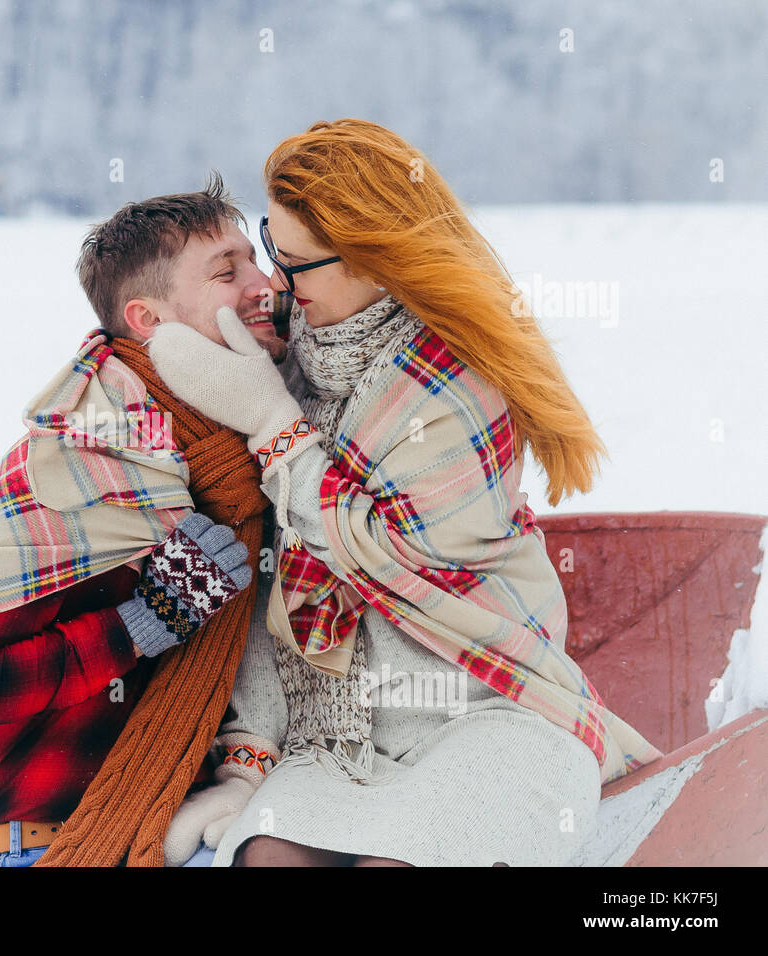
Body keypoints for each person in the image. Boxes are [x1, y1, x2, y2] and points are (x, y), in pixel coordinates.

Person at [151, 119, 666, 867]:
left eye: (295, 265)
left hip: (484, 709)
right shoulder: (296, 349)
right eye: (272, 250)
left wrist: (274, 427)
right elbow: (264, 556)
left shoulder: (455, 383)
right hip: (341, 734)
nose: (275, 284)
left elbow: (381, 555)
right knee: (267, 861)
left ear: (372, 258)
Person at [0, 173, 292, 867]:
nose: (265, 284)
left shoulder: (257, 445)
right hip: (38, 844)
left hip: (184, 826)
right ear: (147, 320)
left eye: (257, 260)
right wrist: (141, 623)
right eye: (228, 272)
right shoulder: (75, 460)